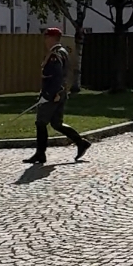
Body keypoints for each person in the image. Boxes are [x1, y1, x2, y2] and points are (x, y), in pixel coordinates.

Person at [24, 28, 91, 165]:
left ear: (52, 38)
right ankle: (80, 143)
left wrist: (53, 93)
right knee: (56, 123)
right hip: (60, 93)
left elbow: (57, 76)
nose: (45, 40)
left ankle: (40, 154)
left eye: (46, 36)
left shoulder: (55, 54)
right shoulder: (62, 52)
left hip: (53, 94)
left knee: (41, 122)